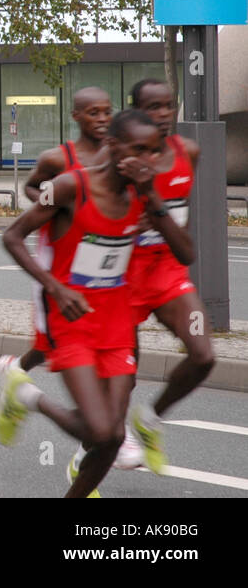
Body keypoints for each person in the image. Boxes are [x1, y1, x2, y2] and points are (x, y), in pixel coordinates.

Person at [0, 108, 192, 497]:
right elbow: (12, 236)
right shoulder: (69, 186)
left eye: (154, 151)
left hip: (117, 323)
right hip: (72, 320)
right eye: (139, 150)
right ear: (114, 147)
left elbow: (186, 255)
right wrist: (55, 287)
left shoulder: (144, 194)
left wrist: (153, 197)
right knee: (101, 430)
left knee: (113, 439)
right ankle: (25, 396)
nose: (149, 160)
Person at [123, 79, 215, 471]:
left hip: (167, 270)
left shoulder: (188, 152)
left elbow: (183, 213)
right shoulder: (119, 162)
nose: (162, 115)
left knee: (203, 354)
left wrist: (164, 225)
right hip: (122, 275)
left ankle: (148, 418)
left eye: (168, 106)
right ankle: (103, 444)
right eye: (152, 107)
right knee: (122, 374)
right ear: (134, 111)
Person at [0, 86, 113, 381]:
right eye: (93, 113)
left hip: (101, 257)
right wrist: (55, 203)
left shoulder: (116, 155)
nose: (102, 119)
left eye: (107, 112)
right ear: (76, 116)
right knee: (50, 340)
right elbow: (31, 186)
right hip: (59, 253)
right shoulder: (57, 159)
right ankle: (16, 372)